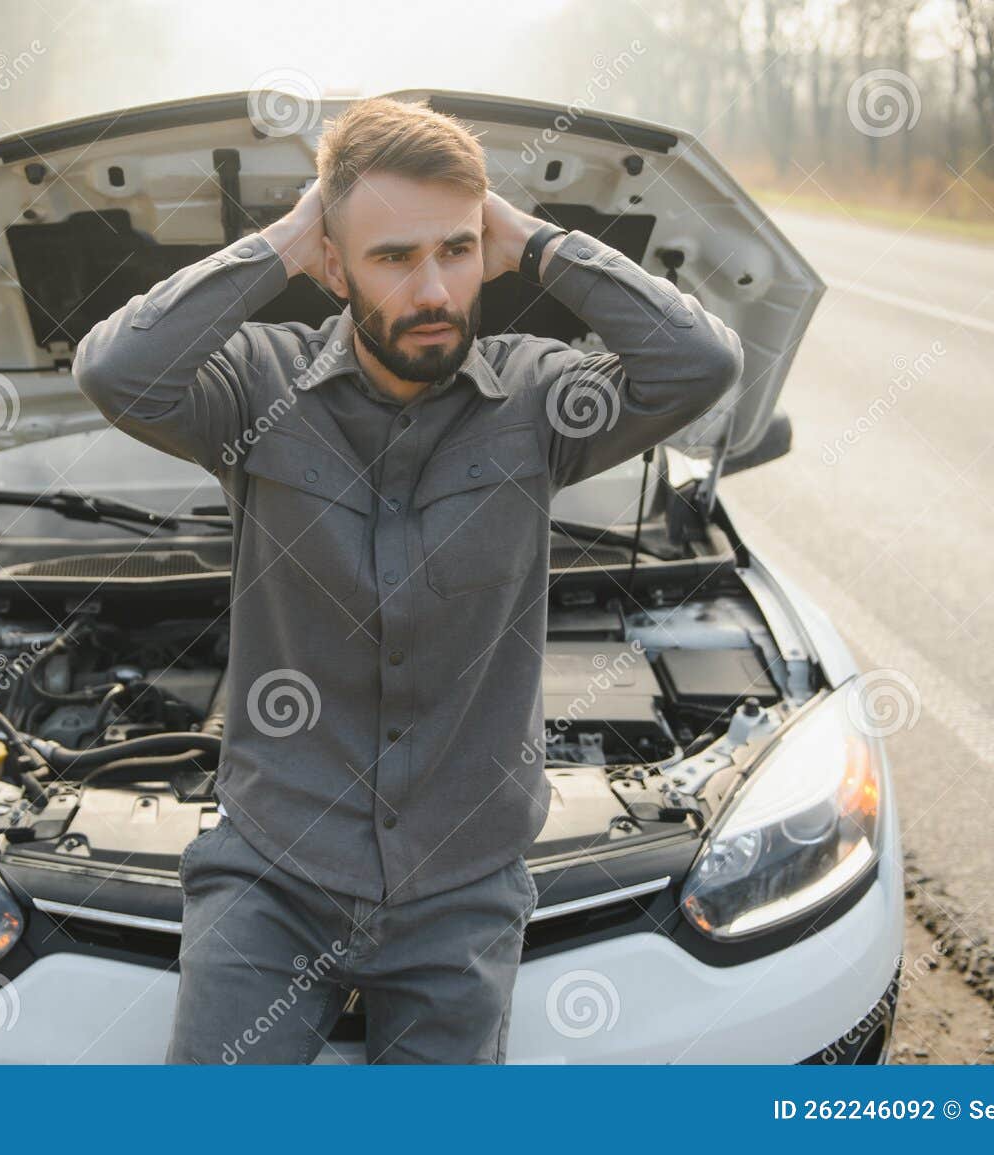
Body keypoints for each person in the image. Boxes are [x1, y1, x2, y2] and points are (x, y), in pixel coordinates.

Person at [72, 95, 745, 1064]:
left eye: (456, 251)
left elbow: (698, 362)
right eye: (392, 257)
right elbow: (116, 371)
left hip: (461, 890)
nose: (433, 291)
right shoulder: (253, 390)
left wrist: (535, 241)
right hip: (273, 876)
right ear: (333, 266)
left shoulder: (544, 400)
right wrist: (282, 240)